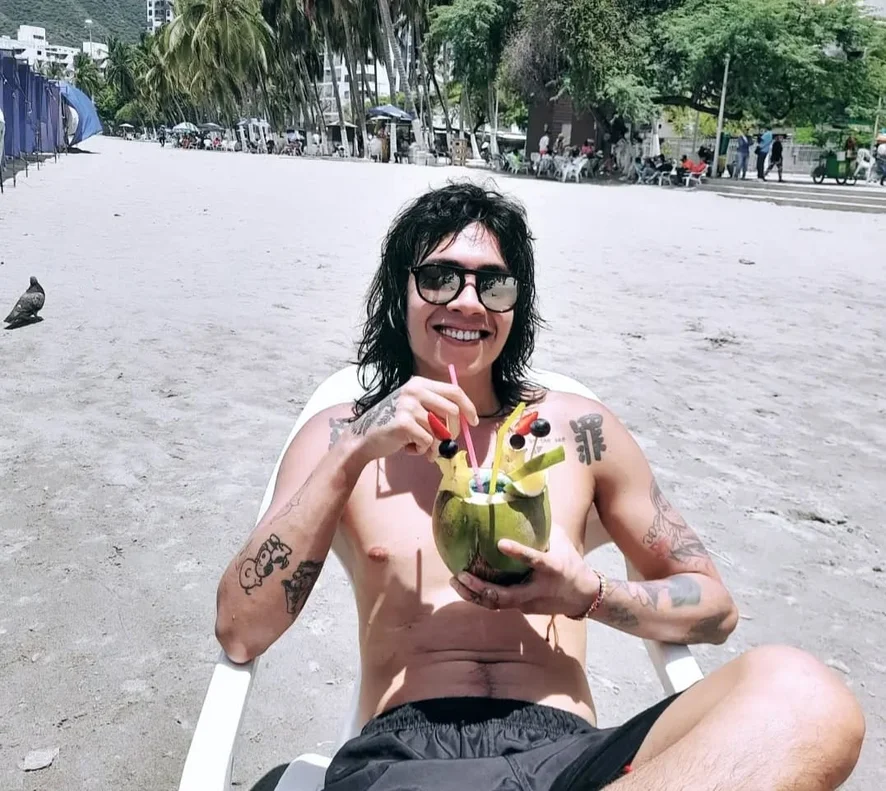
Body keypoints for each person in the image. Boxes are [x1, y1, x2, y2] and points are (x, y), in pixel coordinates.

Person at [215, 183, 865, 791]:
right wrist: (351, 455)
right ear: (399, 291)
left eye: (493, 283)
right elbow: (241, 630)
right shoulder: (342, 436)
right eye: (439, 277)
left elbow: (715, 609)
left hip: (568, 753)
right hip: (409, 752)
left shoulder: (581, 431)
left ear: (516, 303)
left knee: (807, 697)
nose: (467, 302)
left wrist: (591, 594)